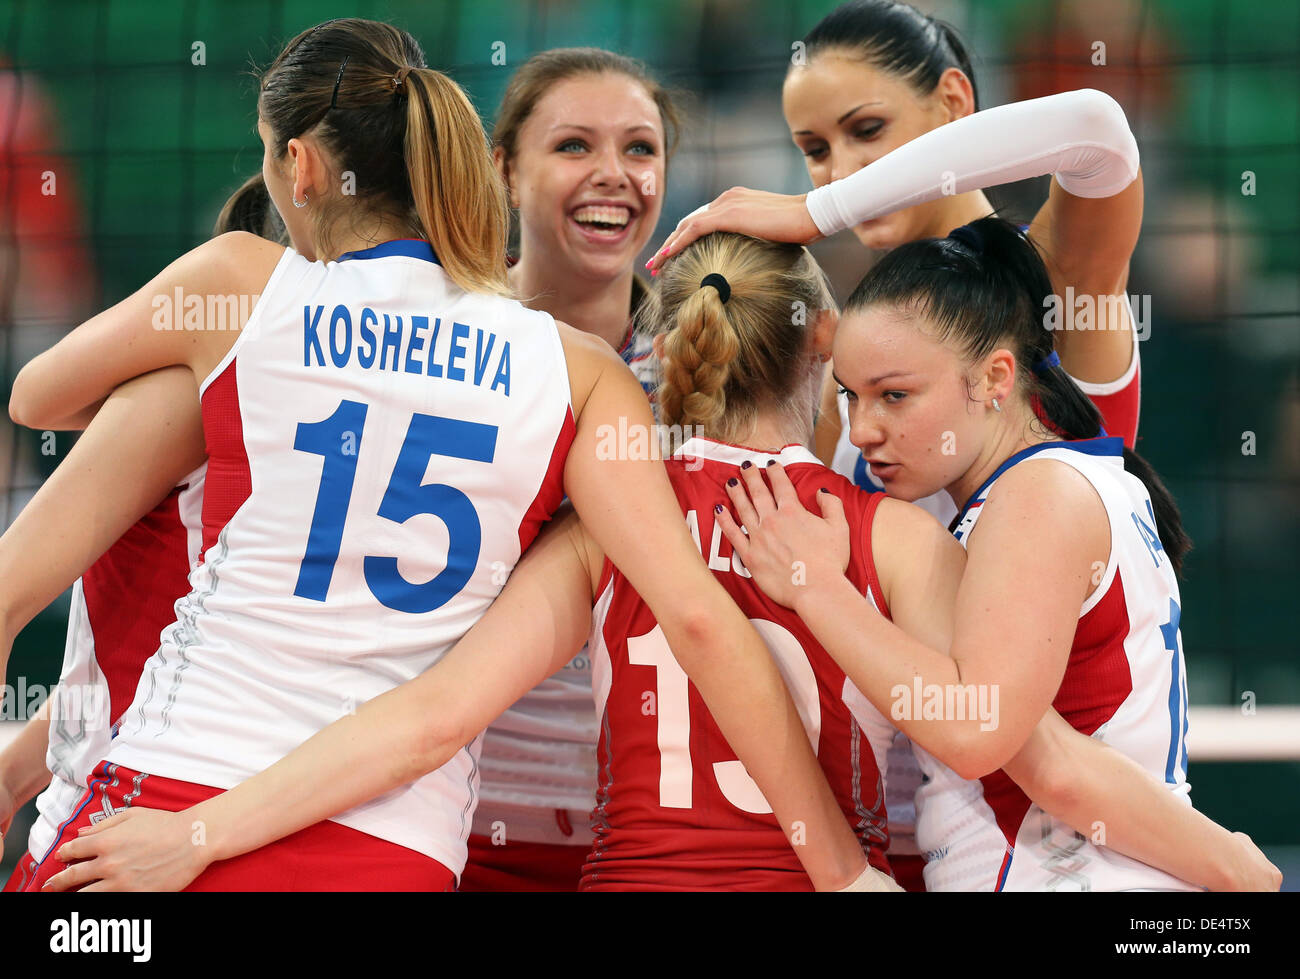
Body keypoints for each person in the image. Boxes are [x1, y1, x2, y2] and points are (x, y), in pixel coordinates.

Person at [44, 233, 1275, 894]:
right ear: (818, 361)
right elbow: (1004, 740)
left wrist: (199, 830)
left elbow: (430, 714)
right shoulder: (895, 534)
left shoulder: (598, 532)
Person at [8, 18, 870, 892]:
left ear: (298, 168)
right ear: (479, 163)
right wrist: (847, 874)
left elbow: (37, 396)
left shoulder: (245, 285)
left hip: (179, 790)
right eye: (574, 144)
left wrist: (213, 384)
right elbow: (693, 619)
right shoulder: (585, 378)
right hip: (406, 845)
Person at [647, 0, 1150, 884]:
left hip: (1077, 831)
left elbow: (1097, 126)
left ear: (955, 103)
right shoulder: (854, 370)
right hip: (913, 834)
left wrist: (817, 208)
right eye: (813, 150)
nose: (841, 166)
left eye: (865, 130)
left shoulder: (1058, 279)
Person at [715, 218, 1281, 891]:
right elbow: (1054, 753)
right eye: (850, 396)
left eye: (895, 395)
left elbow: (983, 731)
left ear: (994, 378)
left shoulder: (1036, 496)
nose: (863, 429)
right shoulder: (1071, 480)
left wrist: (814, 588)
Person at [1, 175, 278, 891]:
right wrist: (14, 775)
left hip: (147, 824)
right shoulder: (204, 394)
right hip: (227, 826)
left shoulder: (192, 392)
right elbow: (159, 656)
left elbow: (34, 395)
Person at [461, 48, 676, 891]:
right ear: (504, 171)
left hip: (650, 842)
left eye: (641, 149)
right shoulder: (441, 344)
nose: (614, 176)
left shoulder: (718, 366)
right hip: (457, 820)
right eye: (574, 147)